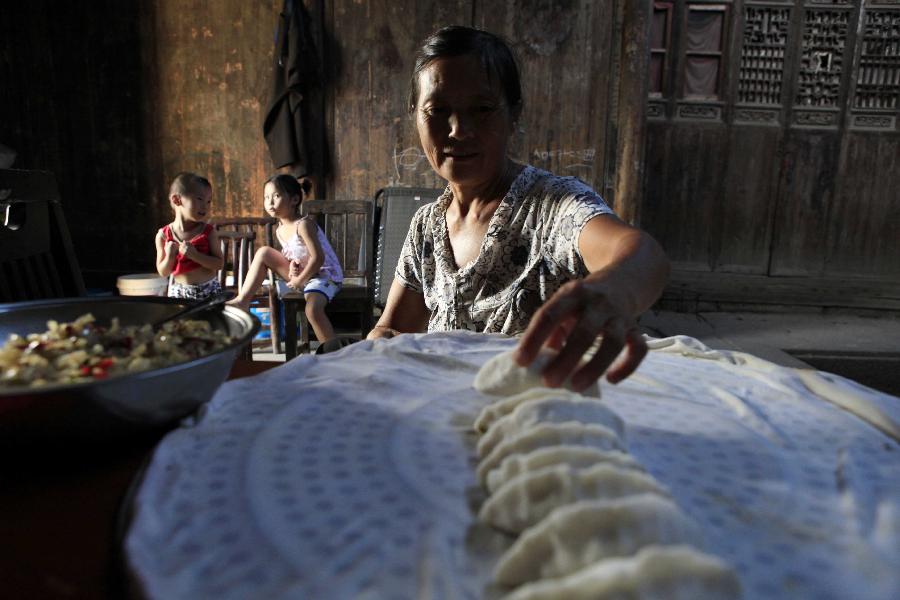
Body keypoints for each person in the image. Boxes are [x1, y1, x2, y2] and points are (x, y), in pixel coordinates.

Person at [367, 26, 670, 391]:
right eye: (438, 110)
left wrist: (615, 290)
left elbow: (643, 255)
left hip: (529, 426)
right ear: (415, 115)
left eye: (482, 109)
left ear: (513, 115)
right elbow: (394, 327)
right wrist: (377, 346)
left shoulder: (552, 208)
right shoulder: (426, 227)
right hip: (440, 420)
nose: (459, 130)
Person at [228, 174, 343, 344]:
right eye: (266, 197)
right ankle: (243, 300)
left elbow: (318, 258)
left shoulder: (303, 225)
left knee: (312, 310)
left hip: (324, 276)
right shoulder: (280, 229)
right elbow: (295, 257)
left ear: (294, 199)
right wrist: (293, 269)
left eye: (276, 196)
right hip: (303, 276)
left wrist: (299, 280)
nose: (270, 202)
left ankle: (335, 353)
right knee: (264, 252)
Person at [155, 172, 224, 300]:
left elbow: (219, 264)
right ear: (177, 200)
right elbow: (163, 272)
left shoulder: (208, 232)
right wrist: (170, 256)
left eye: (209, 201)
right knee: (181, 321)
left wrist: (195, 256)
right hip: (179, 292)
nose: (205, 206)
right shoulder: (163, 236)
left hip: (209, 291)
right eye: (199, 199)